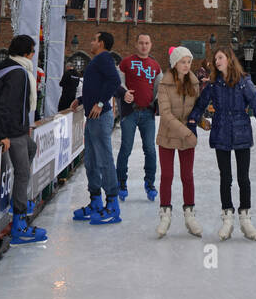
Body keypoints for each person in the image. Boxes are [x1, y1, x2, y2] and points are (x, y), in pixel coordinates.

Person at [187, 45, 256, 241]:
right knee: (225, 178)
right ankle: (227, 218)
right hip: (220, 133)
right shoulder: (213, 85)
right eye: (215, 59)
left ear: (228, 59)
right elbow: (200, 105)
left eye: (220, 58)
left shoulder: (244, 83)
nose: (217, 62)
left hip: (241, 132)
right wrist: (193, 120)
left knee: (243, 178)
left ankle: (245, 218)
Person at [0, 34, 47, 244]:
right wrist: (2, 135)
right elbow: (3, 105)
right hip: (12, 132)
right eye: (32, 51)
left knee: (31, 148)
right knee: (22, 173)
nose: (33, 55)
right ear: (26, 52)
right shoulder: (18, 74)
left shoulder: (10, 68)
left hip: (18, 130)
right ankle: (19, 223)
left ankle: (18, 200)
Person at [69, 31, 123, 224]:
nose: (90, 42)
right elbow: (97, 86)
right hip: (92, 118)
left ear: (101, 43)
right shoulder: (98, 60)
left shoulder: (104, 58)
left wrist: (100, 103)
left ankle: (112, 205)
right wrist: (82, 99)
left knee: (103, 159)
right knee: (91, 160)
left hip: (100, 118)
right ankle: (95, 202)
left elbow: (115, 81)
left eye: (93, 39)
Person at [155, 45, 201, 237]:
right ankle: (165, 215)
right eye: (183, 61)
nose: (186, 65)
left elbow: (196, 109)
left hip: (187, 136)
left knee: (187, 176)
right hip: (168, 135)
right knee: (167, 176)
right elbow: (165, 114)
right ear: (175, 64)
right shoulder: (164, 85)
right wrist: (186, 132)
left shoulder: (194, 83)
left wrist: (202, 121)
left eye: (189, 62)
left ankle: (189, 215)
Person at [115, 30, 162, 201]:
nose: (144, 45)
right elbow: (117, 82)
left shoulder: (155, 66)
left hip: (147, 113)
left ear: (150, 45)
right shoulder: (126, 63)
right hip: (130, 112)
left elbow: (159, 87)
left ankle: (149, 184)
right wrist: (124, 92)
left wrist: (155, 101)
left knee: (150, 149)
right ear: (136, 44)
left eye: (147, 43)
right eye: (141, 42)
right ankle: (121, 183)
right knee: (125, 149)